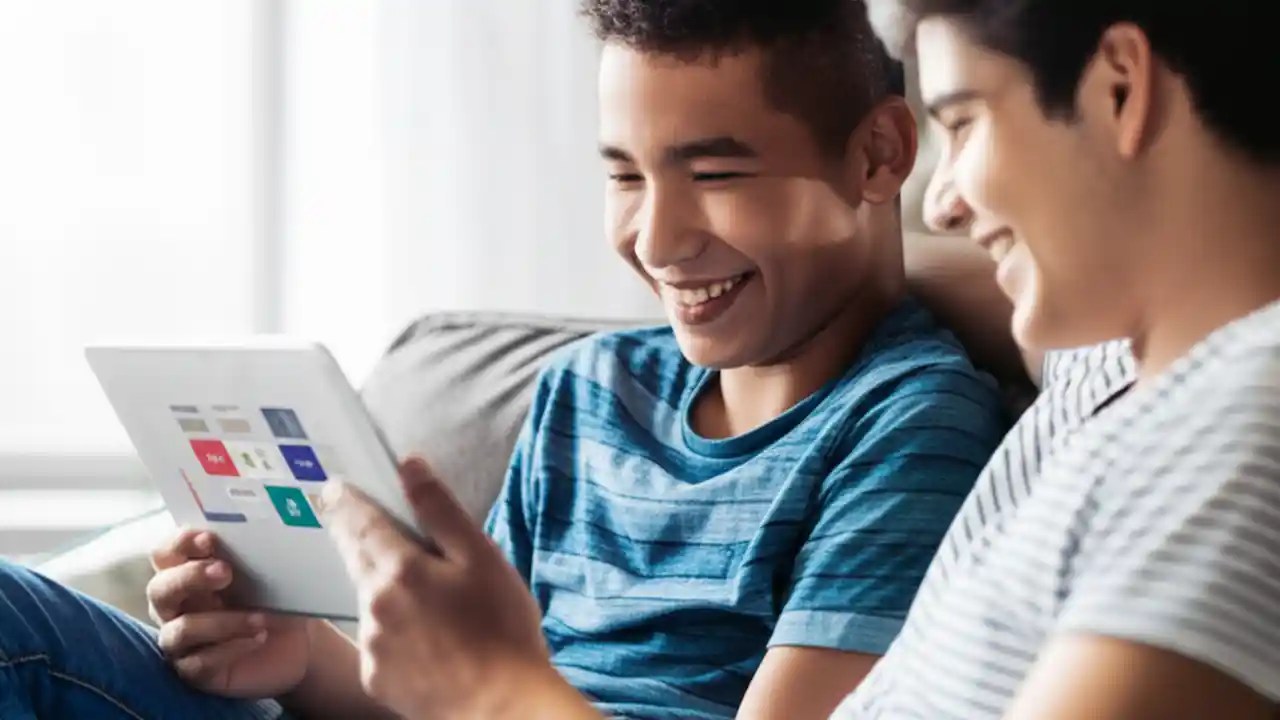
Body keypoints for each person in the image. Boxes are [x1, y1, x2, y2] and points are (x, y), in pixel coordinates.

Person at [0, 2, 1007, 719]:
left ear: (879, 156)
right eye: (624, 176)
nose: (656, 240)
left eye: (715, 173)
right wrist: (300, 658)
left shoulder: (908, 426)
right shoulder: (591, 390)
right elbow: (447, 692)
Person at [306, 1, 1280, 719]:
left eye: (965, 121)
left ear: (1117, 89)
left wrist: (491, 690)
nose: (942, 203)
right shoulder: (1112, 358)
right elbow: (950, 268)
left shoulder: (1239, 429)